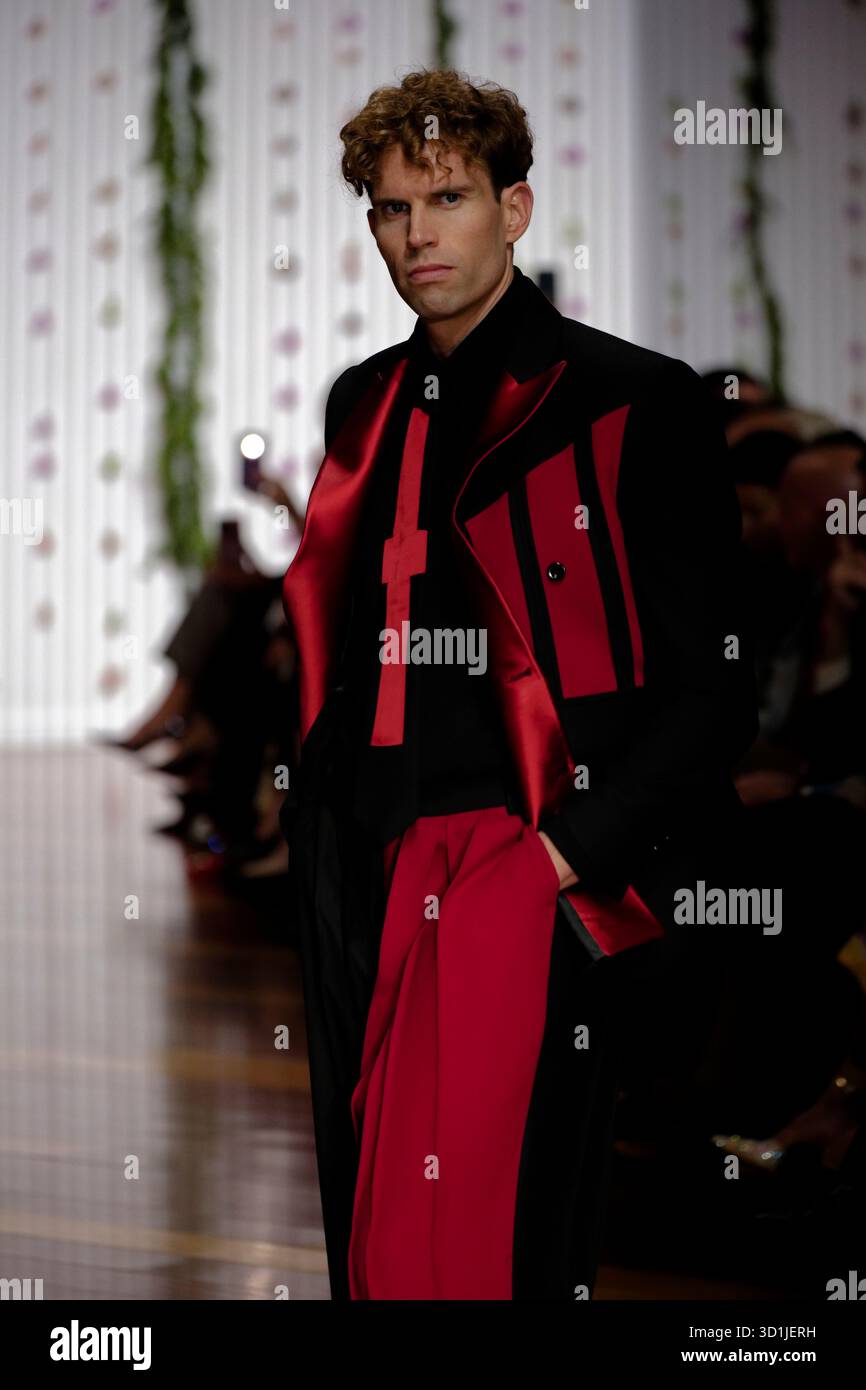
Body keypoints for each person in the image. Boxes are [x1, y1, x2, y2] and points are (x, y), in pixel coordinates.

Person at [280, 67, 758, 1302]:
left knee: (504, 1236)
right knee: (373, 1226)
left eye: (445, 196)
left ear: (517, 206)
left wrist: (564, 851)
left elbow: (714, 680)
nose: (416, 233)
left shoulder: (633, 401)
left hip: (520, 859)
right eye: (388, 209)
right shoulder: (363, 401)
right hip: (362, 859)